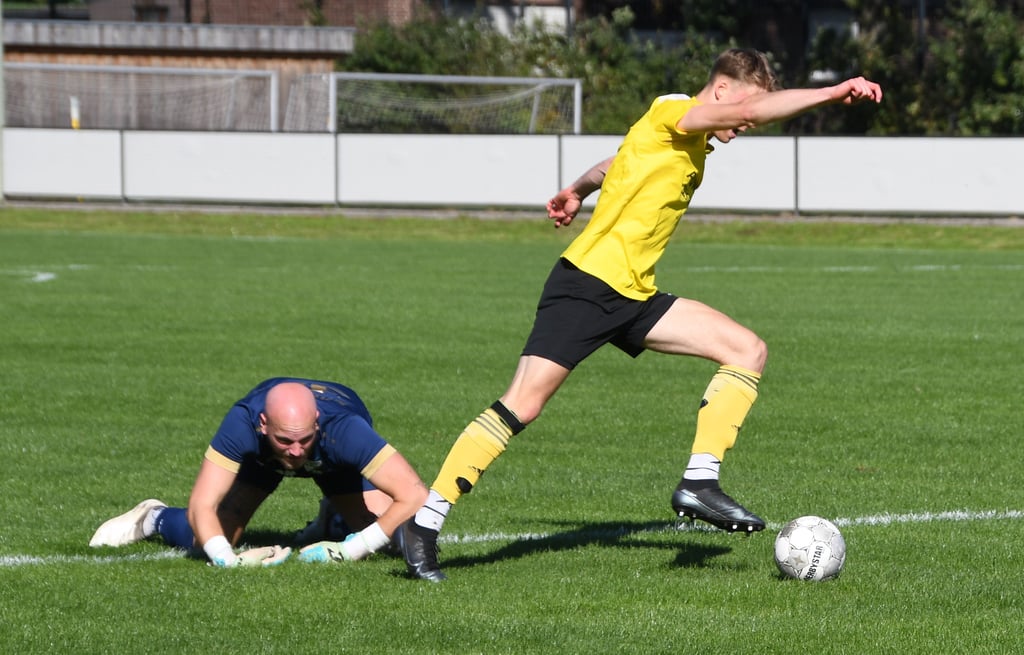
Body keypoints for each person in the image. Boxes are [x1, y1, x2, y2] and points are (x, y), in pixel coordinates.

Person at [397, 48, 883, 582]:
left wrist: (576, 190)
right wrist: (835, 91)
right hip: (585, 287)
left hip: (632, 296)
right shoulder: (676, 111)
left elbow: (617, 161)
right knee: (522, 406)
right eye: (744, 109)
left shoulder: (683, 138)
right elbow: (751, 113)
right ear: (720, 92)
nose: (746, 123)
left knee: (747, 349)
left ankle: (699, 483)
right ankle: (424, 524)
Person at [90, 377, 429, 568]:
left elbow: (415, 494)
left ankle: (335, 524)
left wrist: (348, 550)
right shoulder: (242, 423)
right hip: (262, 461)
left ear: (316, 424)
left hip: (333, 458)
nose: (296, 451)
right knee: (206, 539)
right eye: (285, 440)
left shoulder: (344, 430)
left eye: (304, 439)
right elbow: (201, 505)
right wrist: (229, 561)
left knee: (396, 541)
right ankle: (154, 517)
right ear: (264, 425)